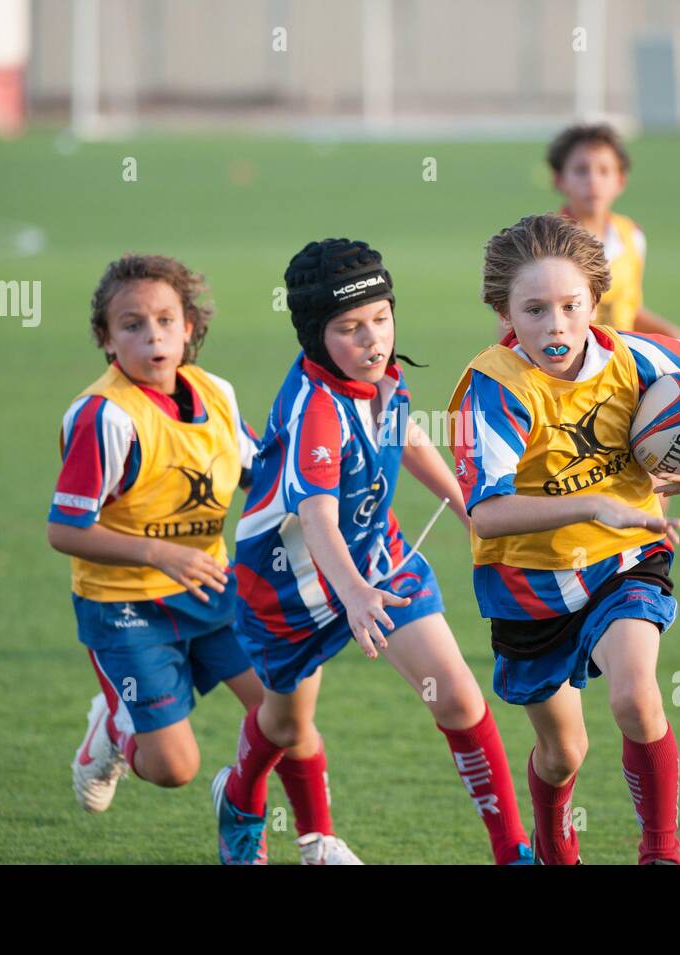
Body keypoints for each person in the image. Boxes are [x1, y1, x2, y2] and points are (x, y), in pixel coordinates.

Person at [218, 237, 533, 865]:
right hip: (291, 586)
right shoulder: (316, 409)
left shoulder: (381, 376)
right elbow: (316, 522)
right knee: (284, 727)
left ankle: (513, 853)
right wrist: (355, 595)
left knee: (460, 699)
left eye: (382, 319)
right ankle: (240, 798)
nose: (373, 340)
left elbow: (404, 433)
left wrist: (471, 507)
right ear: (314, 336)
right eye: (350, 328)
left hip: (378, 559)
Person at [449, 213, 680, 864]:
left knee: (636, 696)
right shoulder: (493, 389)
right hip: (529, 587)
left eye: (570, 305)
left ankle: (660, 852)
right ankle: (555, 837)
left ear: (594, 301)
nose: (555, 325)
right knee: (563, 754)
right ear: (503, 312)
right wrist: (593, 504)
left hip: (627, 558)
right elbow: (487, 514)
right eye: (534, 310)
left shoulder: (632, 353)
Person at [47, 254, 322, 858]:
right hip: (125, 609)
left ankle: (313, 840)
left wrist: (324, 502)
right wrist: (158, 553)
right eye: (132, 325)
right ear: (105, 337)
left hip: (213, 594)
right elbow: (64, 529)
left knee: (288, 714)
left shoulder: (215, 394)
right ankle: (112, 727)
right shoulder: (106, 416)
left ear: (190, 326)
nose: (153, 338)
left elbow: (262, 476)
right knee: (174, 768)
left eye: (166, 321)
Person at [529, 123, 680, 339]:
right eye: (581, 170)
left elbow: (630, 308)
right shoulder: (543, 242)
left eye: (604, 170)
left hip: (621, 364)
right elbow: (517, 320)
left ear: (620, 181)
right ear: (559, 180)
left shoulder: (632, 236)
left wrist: (674, 337)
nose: (593, 181)